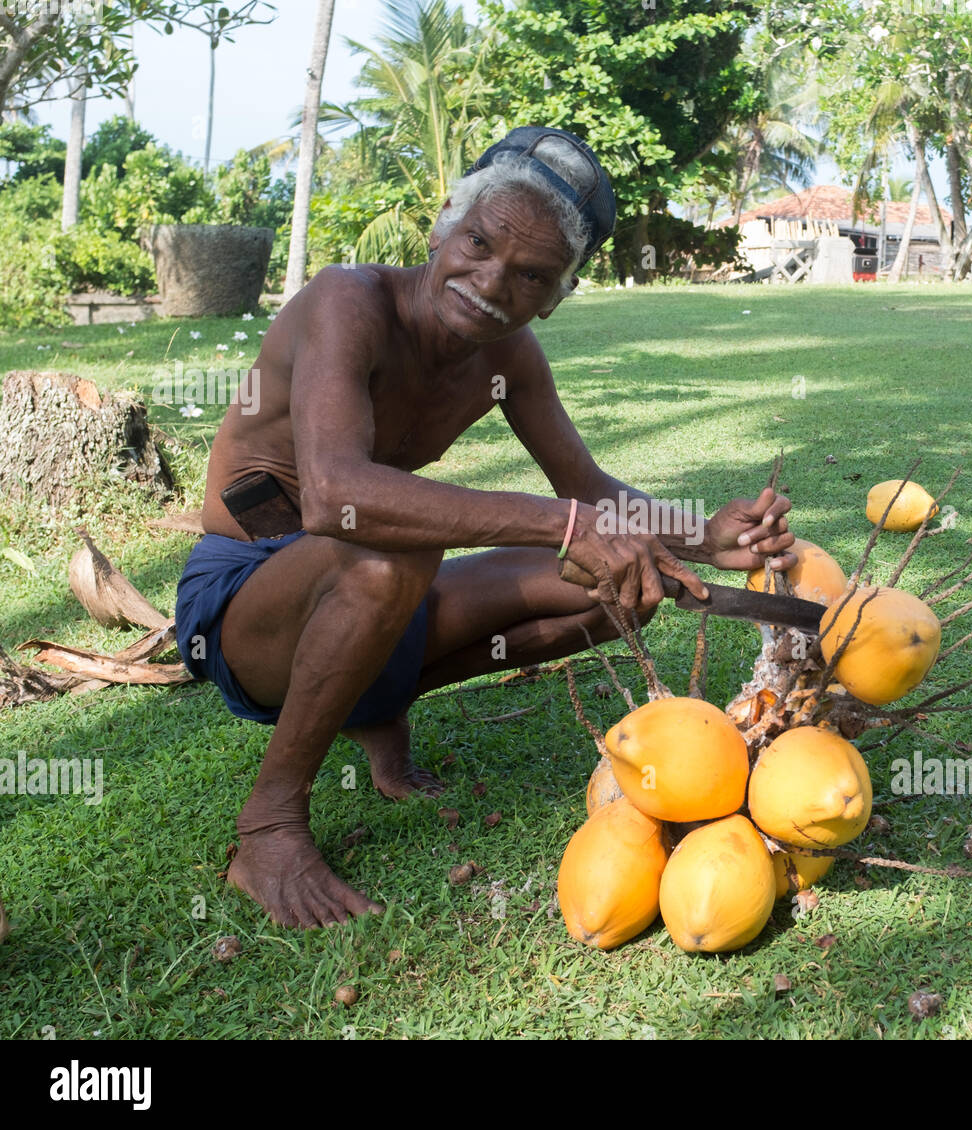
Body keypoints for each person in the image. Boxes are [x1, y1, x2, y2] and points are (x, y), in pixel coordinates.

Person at [175, 126, 796, 928]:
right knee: (393, 555)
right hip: (244, 602)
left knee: (620, 590)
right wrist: (564, 524)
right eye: (478, 242)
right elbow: (334, 496)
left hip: (369, 598)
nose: (491, 281)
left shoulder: (510, 357)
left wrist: (700, 534)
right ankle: (268, 825)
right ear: (441, 226)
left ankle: (373, 702)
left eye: (530, 274)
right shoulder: (346, 301)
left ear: (556, 296)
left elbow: (589, 488)